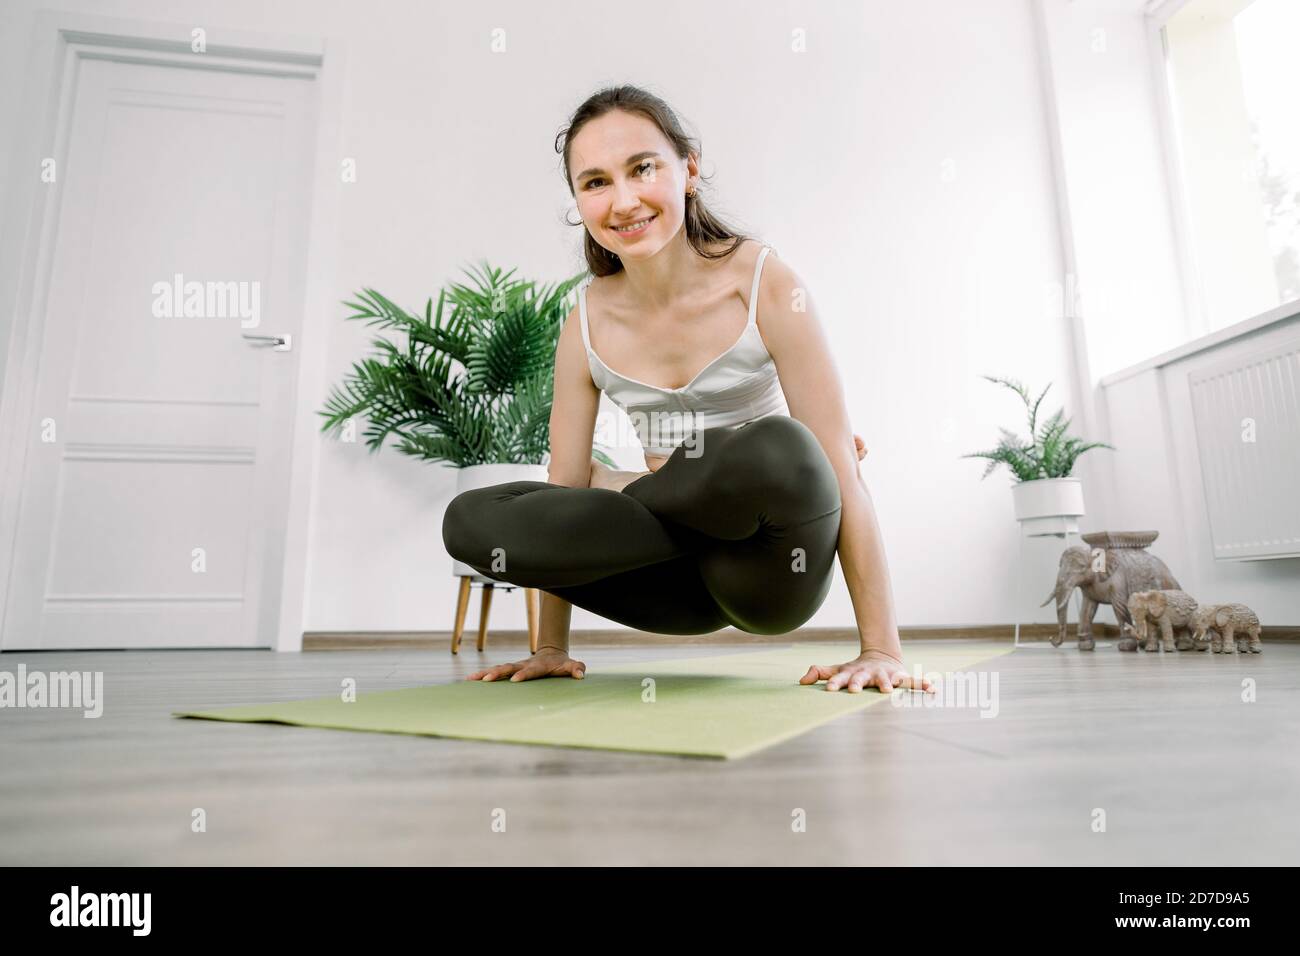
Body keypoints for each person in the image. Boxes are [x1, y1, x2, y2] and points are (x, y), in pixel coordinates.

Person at [443, 85, 931, 695]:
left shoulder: (763, 283)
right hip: (671, 582)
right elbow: (562, 494)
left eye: (641, 168)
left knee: (779, 448)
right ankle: (634, 490)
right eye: (595, 183)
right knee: (471, 518)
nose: (623, 201)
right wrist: (550, 647)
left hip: (771, 566)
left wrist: (881, 650)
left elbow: (843, 475)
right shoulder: (585, 322)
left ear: (689, 169)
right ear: (577, 202)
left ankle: (631, 486)